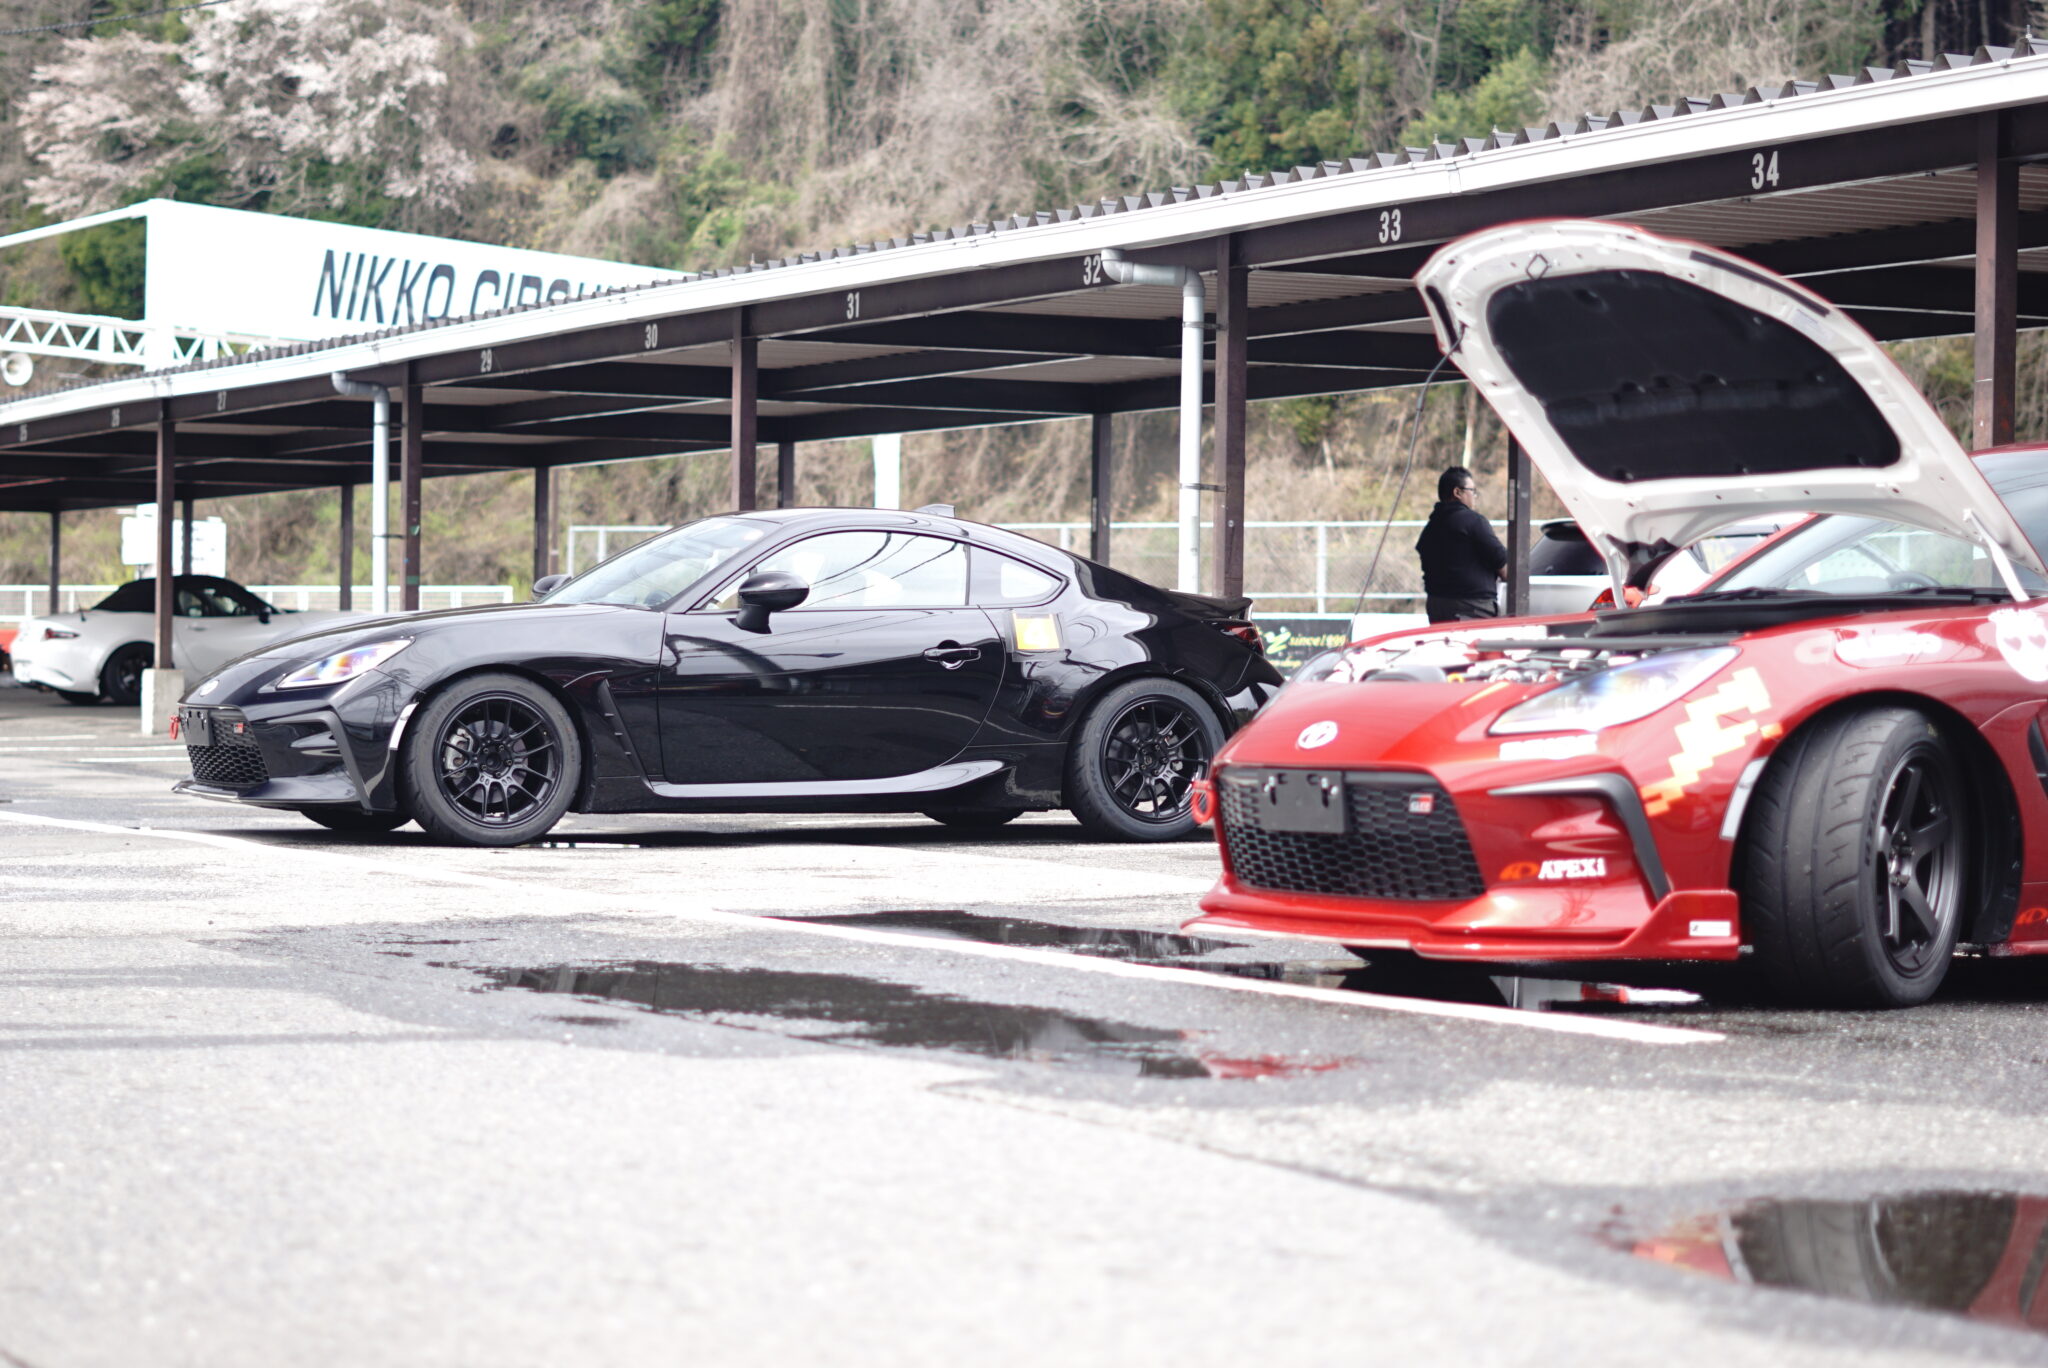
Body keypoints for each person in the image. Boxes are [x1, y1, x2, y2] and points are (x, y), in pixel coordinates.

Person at [1415, 465, 1506, 623]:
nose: (1475, 496)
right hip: (1472, 609)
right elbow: (1505, 568)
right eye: (1472, 491)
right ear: (1457, 492)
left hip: (1437, 606)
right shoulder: (1474, 521)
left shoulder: (1431, 527)